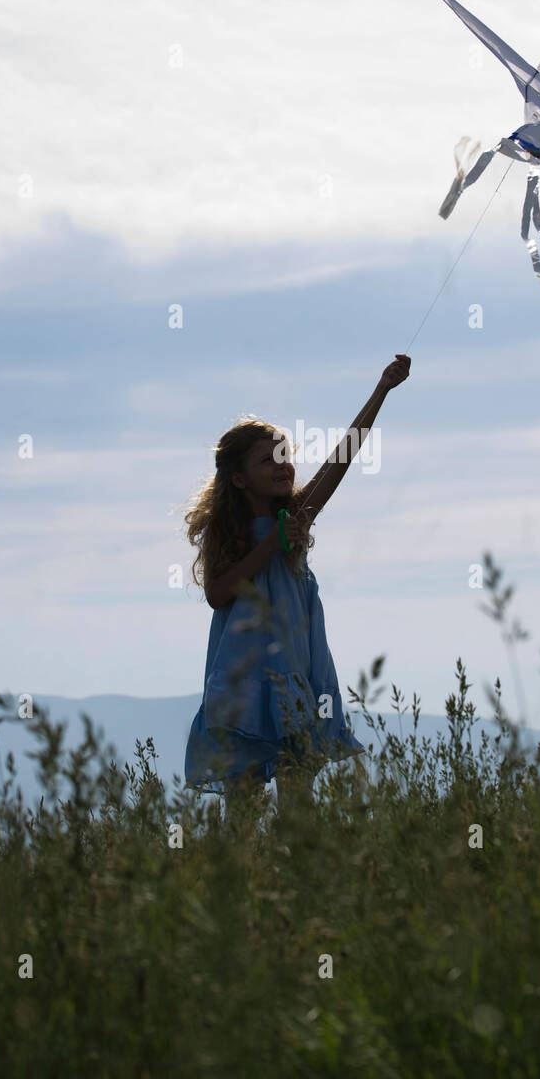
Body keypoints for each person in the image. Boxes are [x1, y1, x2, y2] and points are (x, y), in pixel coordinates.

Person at [183, 354, 411, 827]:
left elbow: (343, 457)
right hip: (245, 679)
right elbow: (218, 593)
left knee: (298, 794)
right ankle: (241, 887)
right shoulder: (230, 530)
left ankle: (297, 886)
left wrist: (381, 391)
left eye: (285, 456)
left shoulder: (298, 514)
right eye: (268, 460)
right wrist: (271, 543)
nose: (283, 467)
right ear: (239, 478)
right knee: (241, 804)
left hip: (297, 673)